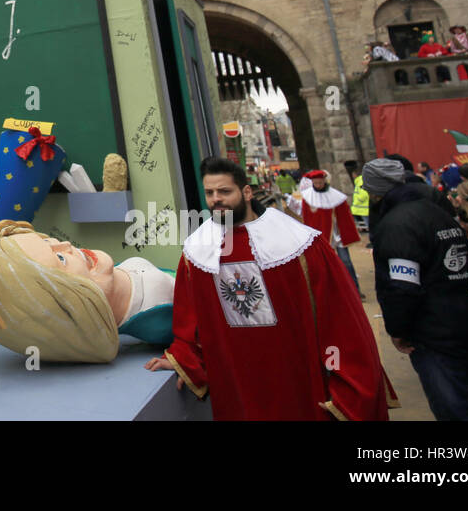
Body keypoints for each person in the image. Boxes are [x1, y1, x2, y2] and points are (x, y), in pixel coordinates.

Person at [144, 156, 393, 420]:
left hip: (296, 380)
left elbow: (341, 317)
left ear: (247, 192)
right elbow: (189, 318)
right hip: (237, 384)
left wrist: (348, 385)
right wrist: (184, 358)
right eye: (210, 193)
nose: (216, 199)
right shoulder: (198, 251)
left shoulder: (300, 244)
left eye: (225, 191)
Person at [0, 220, 174, 366]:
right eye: (60, 259)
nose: (66, 245)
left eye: (51, 242)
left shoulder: (108, 274)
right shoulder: (160, 317)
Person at [362, 158, 468, 421]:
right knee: (463, 402)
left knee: (454, 411)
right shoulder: (436, 211)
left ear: (375, 191)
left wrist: (398, 330)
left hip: (433, 329)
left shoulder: (397, 224)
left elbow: (402, 287)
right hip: (462, 316)